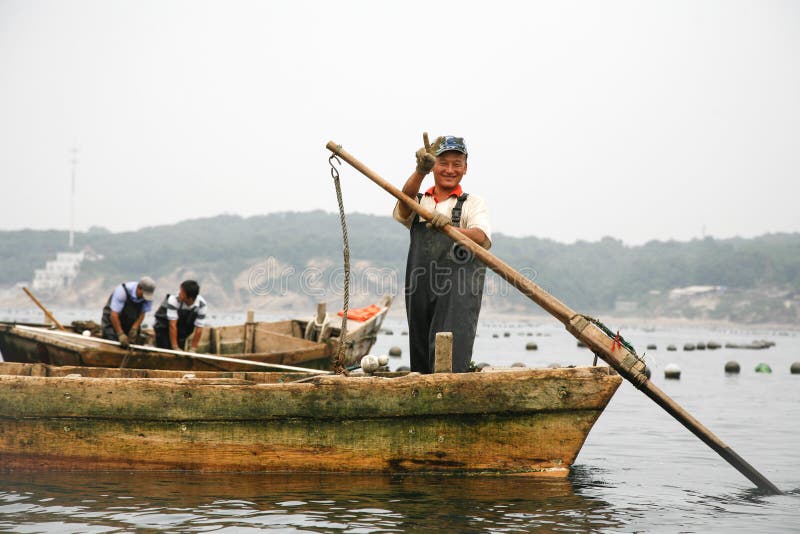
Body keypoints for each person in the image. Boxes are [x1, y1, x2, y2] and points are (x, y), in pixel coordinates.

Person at [393, 135, 491, 373]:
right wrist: (420, 171)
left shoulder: (471, 203)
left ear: (465, 169)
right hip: (419, 288)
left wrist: (450, 229)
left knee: (451, 354)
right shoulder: (420, 201)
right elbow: (404, 203)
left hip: (456, 294)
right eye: (442, 163)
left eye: (457, 164)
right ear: (433, 166)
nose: (449, 170)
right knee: (420, 352)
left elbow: (482, 237)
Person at [101, 276, 156, 348]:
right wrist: (120, 334)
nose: (144, 297)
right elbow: (114, 315)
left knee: (133, 345)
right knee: (112, 343)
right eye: (143, 294)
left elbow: (142, 314)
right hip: (112, 320)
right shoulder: (122, 291)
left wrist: (134, 328)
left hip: (130, 321)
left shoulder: (147, 297)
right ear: (139, 288)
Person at [153, 280, 208, 352]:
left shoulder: (201, 304)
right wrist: (175, 347)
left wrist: (193, 349)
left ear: (190, 297)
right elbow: (172, 325)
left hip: (182, 329)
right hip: (164, 326)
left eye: (182, 292)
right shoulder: (173, 300)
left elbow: (199, 329)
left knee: (181, 347)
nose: (179, 293)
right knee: (164, 347)